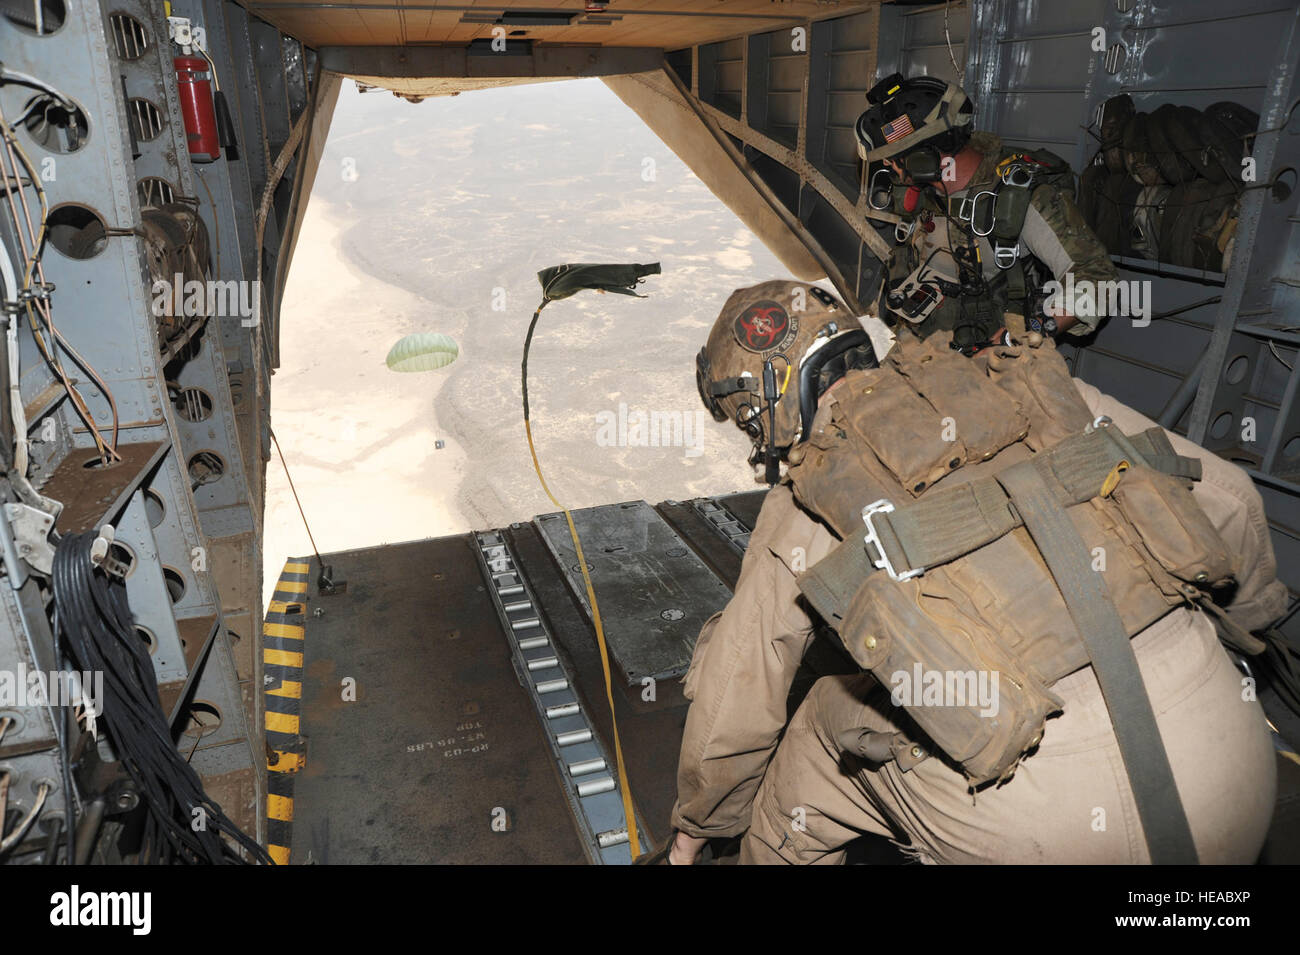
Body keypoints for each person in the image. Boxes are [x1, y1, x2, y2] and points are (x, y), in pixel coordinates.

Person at [653, 277, 1286, 865]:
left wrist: (697, 829)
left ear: (761, 410)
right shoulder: (1025, 384)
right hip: (1237, 770)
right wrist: (1244, 648)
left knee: (819, 729)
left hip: (1052, 830)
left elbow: (738, 690)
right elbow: (1231, 498)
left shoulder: (809, 497)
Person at [857, 73, 1119, 351]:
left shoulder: (1019, 196)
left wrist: (1031, 331)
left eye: (895, 159)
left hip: (988, 370)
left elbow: (1098, 278)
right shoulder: (926, 193)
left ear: (926, 159)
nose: (890, 166)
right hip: (925, 353)